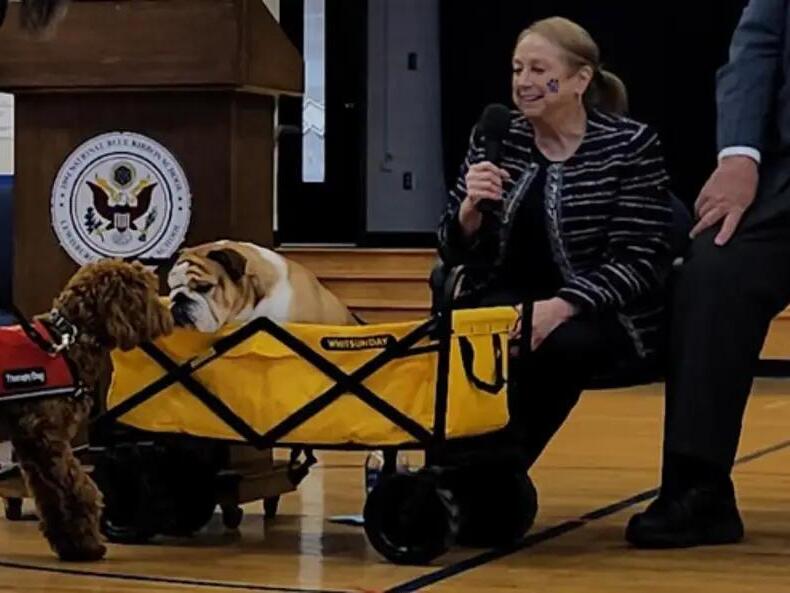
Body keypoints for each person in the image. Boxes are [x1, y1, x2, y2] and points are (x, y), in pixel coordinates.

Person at [437, 17, 674, 470]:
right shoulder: (498, 137)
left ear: (580, 79)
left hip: (601, 312)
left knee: (553, 346)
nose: (523, 82)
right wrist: (468, 213)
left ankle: (490, 477)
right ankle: (448, 474)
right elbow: (454, 248)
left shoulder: (628, 145)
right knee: (466, 336)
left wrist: (561, 305)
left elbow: (639, 260)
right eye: (516, 69)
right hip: (507, 299)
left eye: (536, 70)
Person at [626, 0, 790, 548]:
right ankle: (698, 490)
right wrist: (738, 156)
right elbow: (756, 50)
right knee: (711, 273)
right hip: (782, 175)